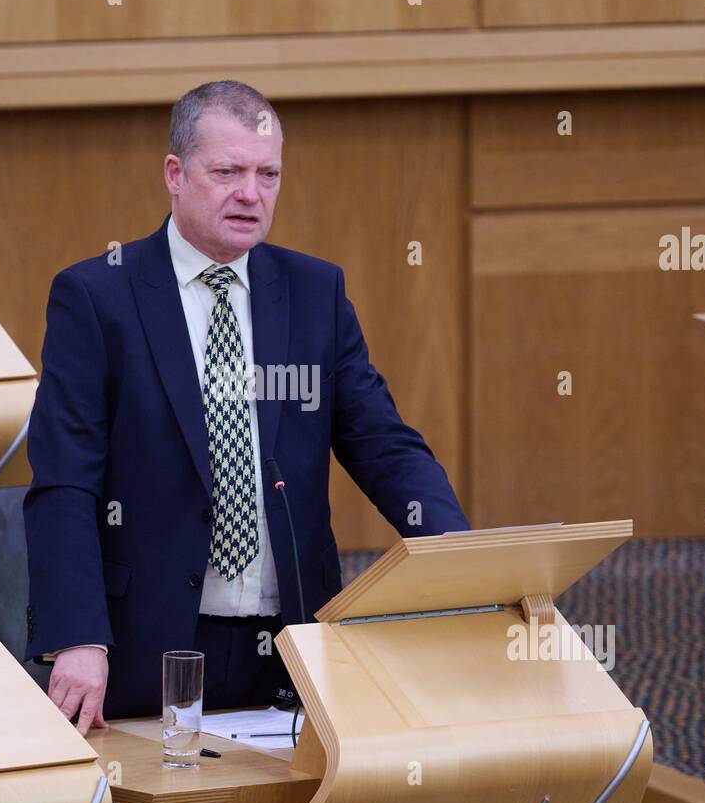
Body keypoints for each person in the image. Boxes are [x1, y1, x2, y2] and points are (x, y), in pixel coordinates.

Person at [25, 80, 469, 735]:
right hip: (148, 644)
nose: (250, 194)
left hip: (292, 640)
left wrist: (455, 558)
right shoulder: (98, 297)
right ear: (175, 174)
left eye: (268, 174)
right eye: (228, 172)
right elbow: (65, 482)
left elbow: (383, 444)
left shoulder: (315, 291)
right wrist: (77, 636)